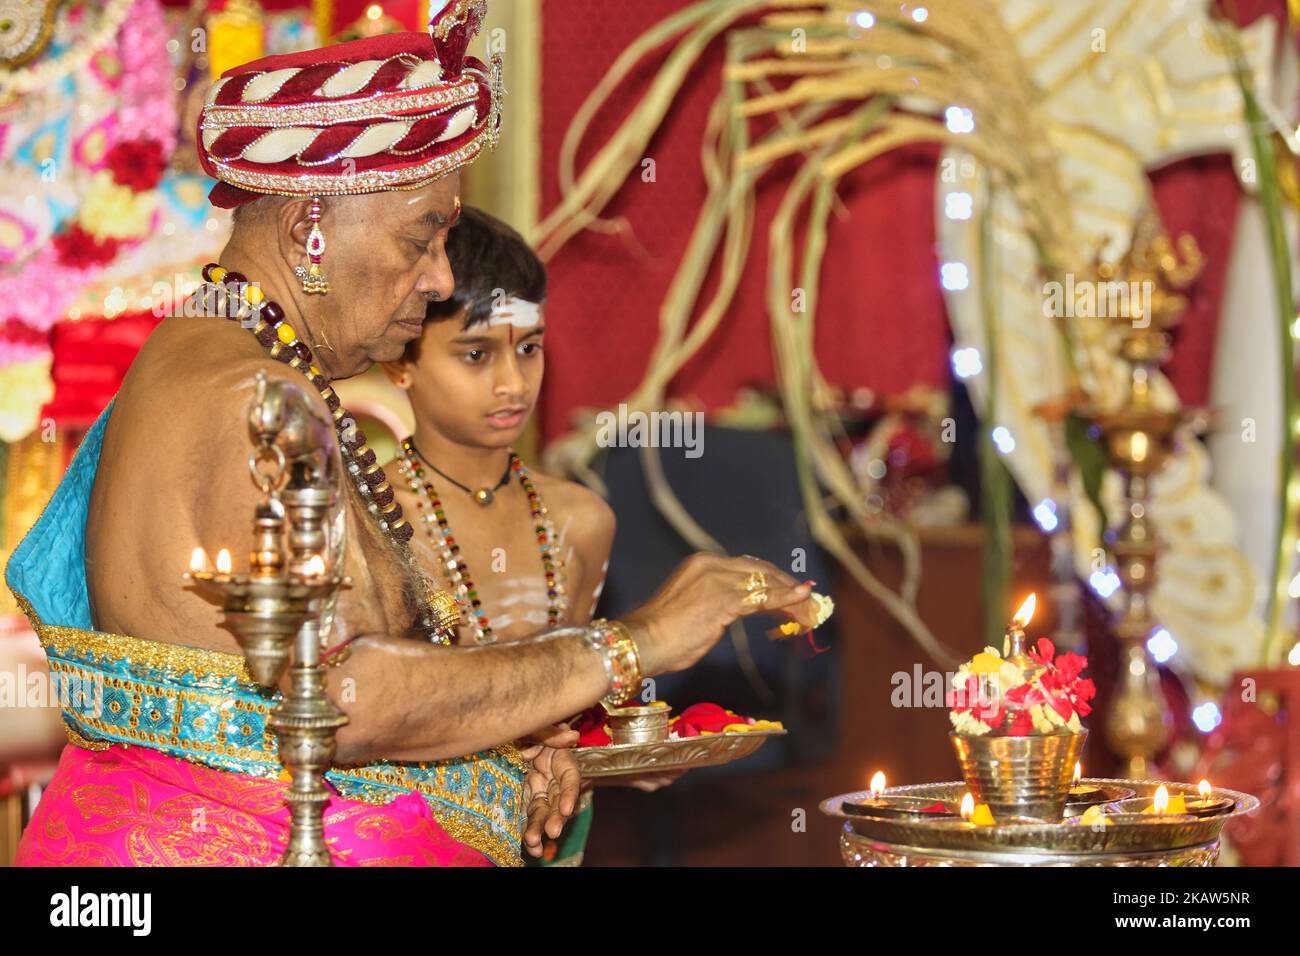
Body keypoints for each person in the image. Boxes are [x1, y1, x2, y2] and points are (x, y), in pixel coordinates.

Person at [6, 4, 817, 867]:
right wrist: (635, 643)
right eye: (420, 237)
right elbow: (345, 699)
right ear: (307, 227)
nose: (438, 280)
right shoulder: (255, 392)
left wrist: (512, 737)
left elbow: (298, 693)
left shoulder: (225, 355)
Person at [382, 206, 680, 866]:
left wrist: (622, 751)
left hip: (554, 835)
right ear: (399, 361)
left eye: (529, 347)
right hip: (415, 838)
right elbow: (376, 716)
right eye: (476, 354)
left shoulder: (581, 518)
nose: (513, 383)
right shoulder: (373, 516)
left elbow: (567, 709)